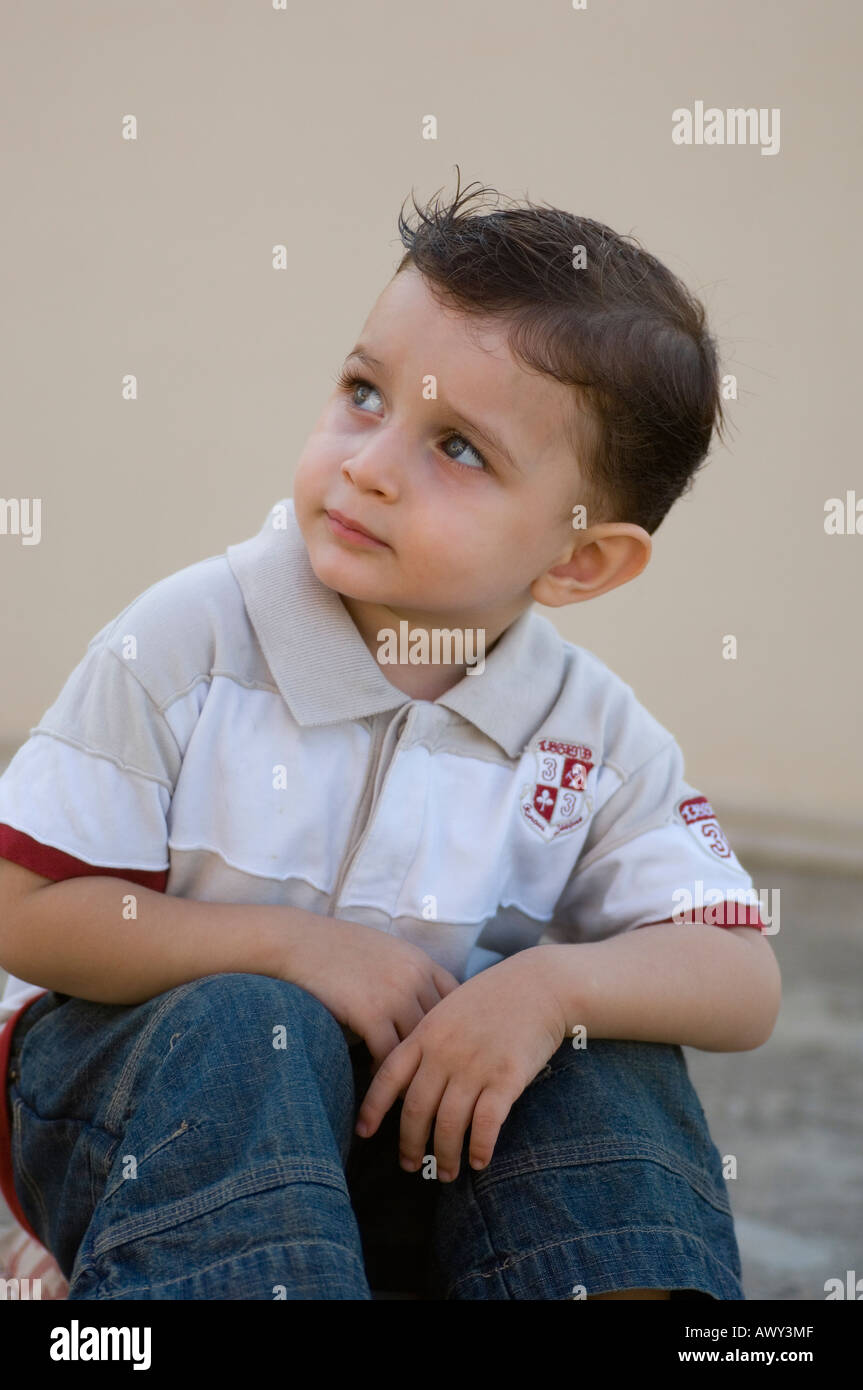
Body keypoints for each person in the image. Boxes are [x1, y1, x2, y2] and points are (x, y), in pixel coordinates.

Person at [0, 175, 780, 1300]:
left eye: (457, 449)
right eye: (364, 394)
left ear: (577, 562)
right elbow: (27, 913)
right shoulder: (189, 641)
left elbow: (739, 978)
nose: (366, 463)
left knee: (591, 1042)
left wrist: (552, 988)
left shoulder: (589, 735)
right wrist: (287, 947)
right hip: (133, 1127)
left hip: (405, 1158)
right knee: (252, 1023)